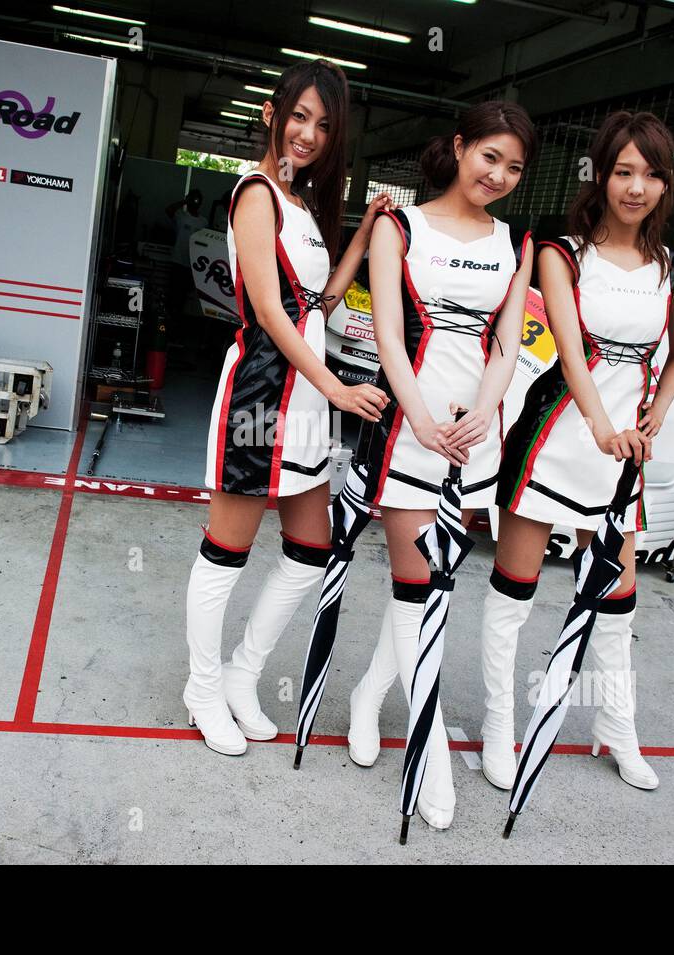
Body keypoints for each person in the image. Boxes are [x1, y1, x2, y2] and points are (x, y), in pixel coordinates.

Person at [184, 59, 393, 756]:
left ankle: (244, 674)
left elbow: (315, 306)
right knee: (227, 551)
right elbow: (271, 313)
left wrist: (362, 239)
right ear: (272, 113)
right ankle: (202, 686)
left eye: (324, 125)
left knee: (310, 549)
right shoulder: (255, 194)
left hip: (303, 398)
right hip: (261, 395)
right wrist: (336, 389)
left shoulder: (301, 205)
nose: (307, 133)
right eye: (298, 116)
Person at [485, 110, 674, 792]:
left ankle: (617, 728)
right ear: (600, 174)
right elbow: (572, 360)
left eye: (651, 174)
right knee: (513, 592)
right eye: (624, 171)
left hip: (620, 450)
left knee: (617, 595)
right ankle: (497, 728)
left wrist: (650, 422)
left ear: (665, 184)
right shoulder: (561, 253)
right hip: (552, 438)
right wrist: (606, 428)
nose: (636, 187)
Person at [345, 101, 537, 830]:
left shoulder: (516, 242)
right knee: (419, 592)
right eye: (490, 156)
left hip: (473, 440)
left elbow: (506, 346)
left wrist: (487, 411)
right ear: (460, 148)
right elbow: (390, 337)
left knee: (432, 589)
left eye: (515, 166)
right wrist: (422, 419)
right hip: (409, 433)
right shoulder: (399, 228)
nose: (499, 174)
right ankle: (428, 751)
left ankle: (370, 696)